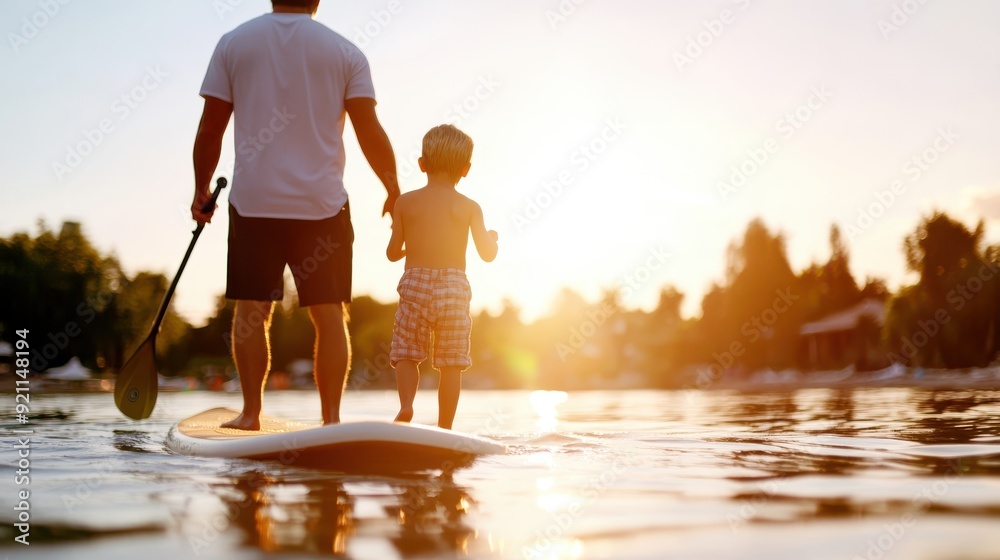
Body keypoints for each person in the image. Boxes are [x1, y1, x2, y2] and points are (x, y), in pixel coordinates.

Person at [191, 0, 399, 430]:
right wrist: (393, 189)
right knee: (329, 314)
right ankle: (331, 421)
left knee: (252, 311)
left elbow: (210, 129)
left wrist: (200, 190)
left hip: (253, 202)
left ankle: (250, 414)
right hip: (322, 206)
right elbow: (368, 131)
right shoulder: (346, 52)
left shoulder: (233, 43)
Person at [386, 124, 498, 429]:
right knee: (452, 362)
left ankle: (406, 407)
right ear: (466, 169)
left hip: (415, 282)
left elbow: (392, 252)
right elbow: (487, 254)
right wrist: (493, 238)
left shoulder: (404, 203)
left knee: (407, 352)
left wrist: (410, 245)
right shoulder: (469, 207)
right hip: (453, 286)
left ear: (422, 164)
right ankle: (445, 427)